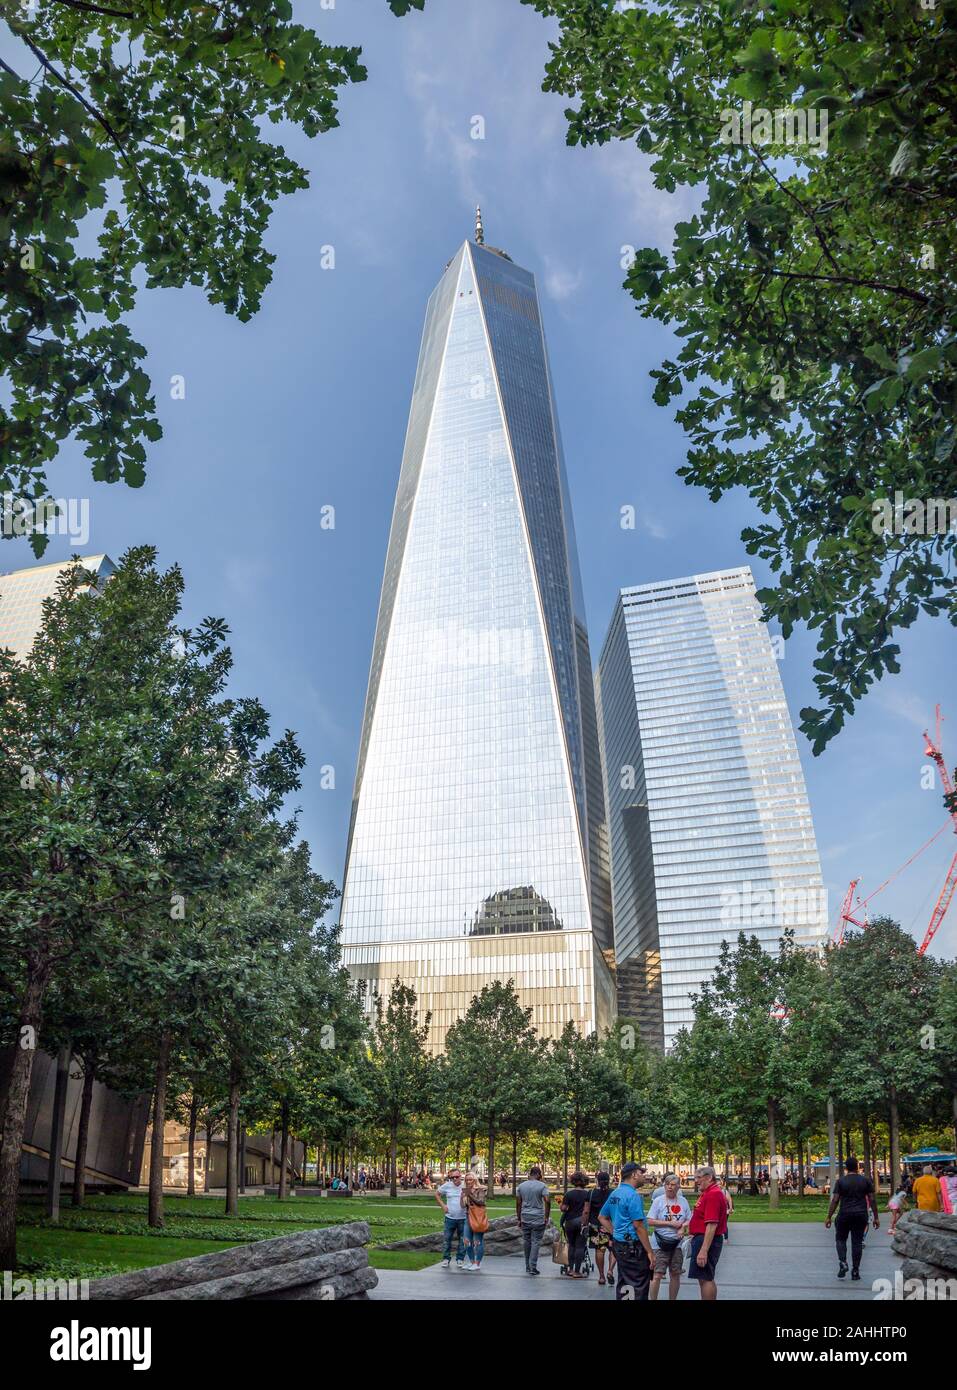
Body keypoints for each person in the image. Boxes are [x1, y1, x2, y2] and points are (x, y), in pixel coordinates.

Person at [598, 1161, 654, 1301]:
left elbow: (602, 1217)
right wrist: (650, 1252)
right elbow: (639, 1226)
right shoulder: (633, 1195)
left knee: (624, 1282)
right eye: (641, 1173)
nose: (644, 1176)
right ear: (634, 1175)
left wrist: (616, 1232)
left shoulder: (616, 1193)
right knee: (639, 1285)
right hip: (633, 1247)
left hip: (620, 1244)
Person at [825, 1156, 879, 1281]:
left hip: (844, 1214)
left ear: (846, 1168)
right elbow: (872, 1199)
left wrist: (829, 1217)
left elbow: (835, 1200)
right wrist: (876, 1217)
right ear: (858, 1167)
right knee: (857, 1243)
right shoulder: (865, 1181)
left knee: (840, 1239)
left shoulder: (841, 1181)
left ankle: (843, 1262)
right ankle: (855, 1271)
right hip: (861, 1215)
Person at [646, 1173, 691, 1302]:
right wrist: (669, 1223)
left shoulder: (683, 1201)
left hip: (677, 1244)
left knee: (675, 1274)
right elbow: (649, 1221)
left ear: (678, 1187)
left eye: (673, 1185)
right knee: (657, 1274)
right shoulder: (658, 1201)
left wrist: (683, 1227)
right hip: (659, 1243)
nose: (669, 1187)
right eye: (667, 1184)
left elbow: (689, 1218)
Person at [688, 1165, 728, 1301]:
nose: (696, 1180)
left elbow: (711, 1224)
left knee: (706, 1278)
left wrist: (704, 1250)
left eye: (698, 1177)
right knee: (705, 1277)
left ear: (709, 1177)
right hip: (703, 1239)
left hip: (707, 1240)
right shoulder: (708, 1192)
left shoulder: (713, 1194)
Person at [516, 1165, 551, 1276]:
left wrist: (519, 1218)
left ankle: (527, 1266)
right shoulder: (542, 1186)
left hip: (525, 1216)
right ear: (539, 1174)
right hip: (538, 1217)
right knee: (536, 1242)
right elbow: (547, 1200)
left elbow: (518, 1203)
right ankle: (533, 1266)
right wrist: (546, 1216)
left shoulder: (521, 1186)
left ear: (530, 1174)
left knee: (527, 1241)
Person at [587, 1171, 616, 1288]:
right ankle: (610, 1270)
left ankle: (602, 1276)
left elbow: (586, 1210)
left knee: (600, 1250)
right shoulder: (614, 1193)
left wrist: (584, 1224)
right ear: (609, 1180)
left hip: (596, 1225)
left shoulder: (591, 1193)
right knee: (613, 1249)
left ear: (597, 1180)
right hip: (611, 1225)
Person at [560, 1172, 591, 1279]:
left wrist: (562, 1204)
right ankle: (577, 1271)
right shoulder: (588, 1194)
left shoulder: (569, 1194)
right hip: (582, 1221)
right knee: (580, 1246)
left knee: (571, 1245)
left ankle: (570, 1269)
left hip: (570, 1221)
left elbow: (563, 1208)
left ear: (573, 1181)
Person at [435, 1168, 467, 1270]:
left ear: (460, 1176)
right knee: (447, 1239)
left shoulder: (465, 1186)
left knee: (462, 1240)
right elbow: (437, 1194)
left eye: (456, 1177)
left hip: (463, 1218)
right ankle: (446, 1259)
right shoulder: (447, 1185)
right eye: (452, 1177)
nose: (454, 1179)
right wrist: (443, 1206)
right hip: (450, 1218)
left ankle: (460, 1259)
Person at [462, 1172, 488, 1272]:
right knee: (466, 1241)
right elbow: (463, 1206)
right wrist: (462, 1197)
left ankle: (477, 1263)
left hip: (478, 1218)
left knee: (478, 1242)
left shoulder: (480, 1189)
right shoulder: (466, 1190)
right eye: (467, 1180)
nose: (468, 1182)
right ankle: (472, 1262)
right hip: (468, 1217)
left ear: (475, 1180)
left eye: (470, 1180)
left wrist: (469, 1194)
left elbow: (480, 1202)